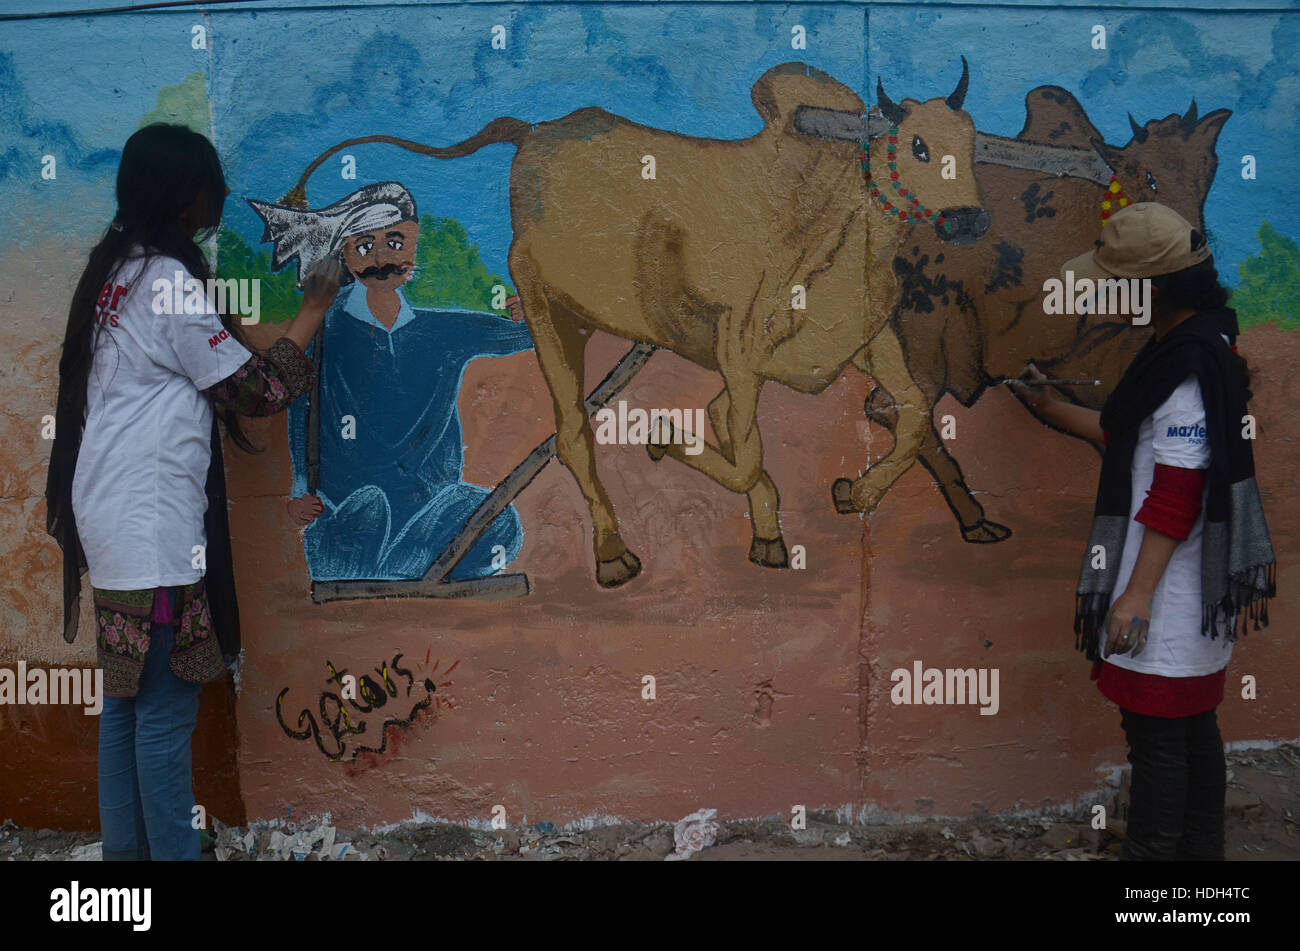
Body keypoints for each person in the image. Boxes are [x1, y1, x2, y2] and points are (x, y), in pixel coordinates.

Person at [45, 123, 342, 860]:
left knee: (125, 703)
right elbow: (257, 391)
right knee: (165, 712)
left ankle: (126, 872)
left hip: (112, 524)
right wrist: (312, 310)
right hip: (154, 534)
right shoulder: (169, 283)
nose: (215, 206)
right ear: (183, 195)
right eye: (209, 190)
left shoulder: (117, 272)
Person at [1008, 201, 1276, 860]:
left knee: (1159, 746)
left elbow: (1178, 490)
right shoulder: (1200, 345)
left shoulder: (1186, 369)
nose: (1106, 296)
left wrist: (1135, 595)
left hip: (1168, 600)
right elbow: (1127, 433)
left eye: (1115, 284)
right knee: (1190, 733)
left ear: (1152, 291)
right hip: (1188, 600)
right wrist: (1049, 408)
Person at [248, 182, 534, 583]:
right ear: (344, 254)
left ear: (413, 245)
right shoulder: (324, 333)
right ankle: (387, 566)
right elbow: (301, 414)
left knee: (496, 519)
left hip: (424, 515)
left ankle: (399, 567)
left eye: (395, 242)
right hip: (348, 514)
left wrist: (535, 307)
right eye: (364, 247)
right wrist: (300, 493)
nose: (382, 259)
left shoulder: (441, 331)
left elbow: (522, 334)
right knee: (369, 509)